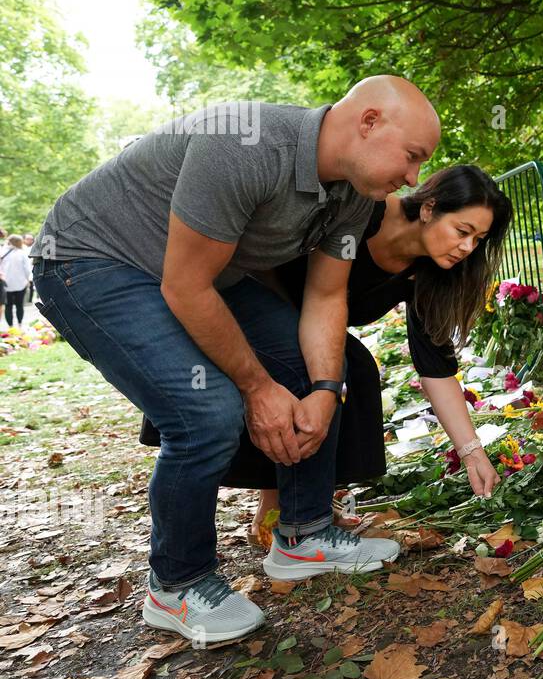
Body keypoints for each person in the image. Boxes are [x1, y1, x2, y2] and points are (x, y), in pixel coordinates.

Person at [32, 75, 440, 646]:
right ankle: (175, 585)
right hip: (93, 262)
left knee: (326, 363)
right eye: (414, 156)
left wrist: (324, 389)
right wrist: (257, 388)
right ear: (369, 122)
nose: (414, 178)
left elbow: (325, 296)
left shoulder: (353, 194)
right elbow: (186, 286)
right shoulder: (244, 144)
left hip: (200, 275)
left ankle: (304, 534)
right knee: (205, 410)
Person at [138, 165, 512, 543]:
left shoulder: (430, 273)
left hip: (312, 327)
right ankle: (279, 505)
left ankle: (302, 502)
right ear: (430, 208)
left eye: (478, 239)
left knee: (355, 373)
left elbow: (436, 369)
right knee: (339, 367)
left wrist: (471, 453)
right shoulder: (364, 211)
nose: (468, 248)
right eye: (462, 231)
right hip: (246, 299)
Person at [2, 234, 32, 326]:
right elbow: (27, 269)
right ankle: (19, 324)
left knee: (8, 306)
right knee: (19, 305)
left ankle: (10, 325)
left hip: (5, 284)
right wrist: (28, 280)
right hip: (20, 283)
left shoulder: (2, 251)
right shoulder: (22, 253)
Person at [23, 234, 35, 304]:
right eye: (28, 239)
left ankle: (30, 300)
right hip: (22, 270)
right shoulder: (21, 248)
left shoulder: (34, 248)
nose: (30, 241)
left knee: (31, 285)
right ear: (24, 240)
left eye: (31, 239)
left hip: (32, 269)